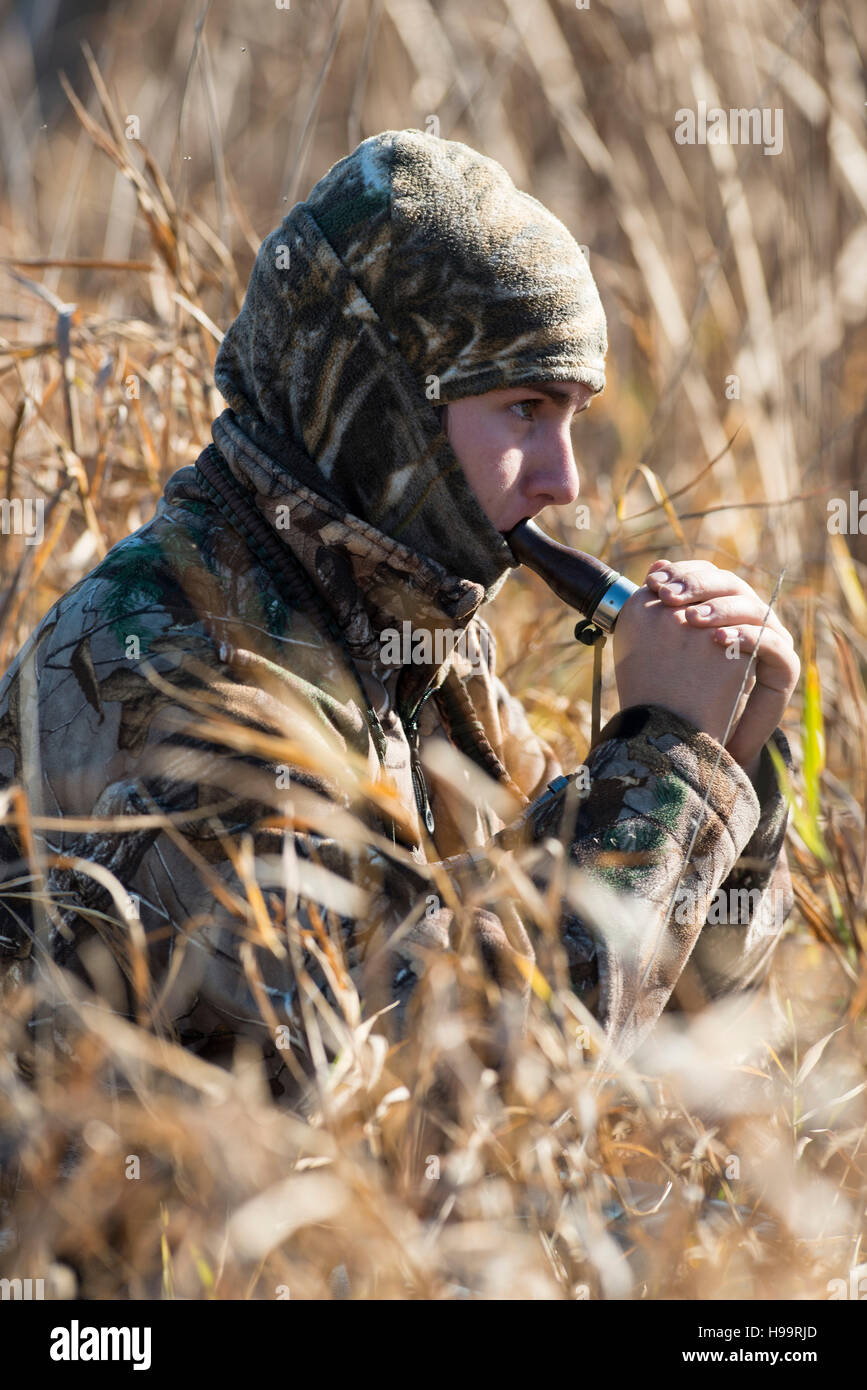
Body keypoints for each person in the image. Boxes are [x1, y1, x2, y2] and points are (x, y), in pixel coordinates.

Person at [0, 130, 798, 1114]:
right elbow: (452, 1110)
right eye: (523, 408)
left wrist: (732, 767)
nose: (565, 478)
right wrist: (665, 757)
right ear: (386, 405)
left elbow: (677, 1015)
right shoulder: (177, 673)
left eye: (574, 415)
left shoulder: (405, 637)